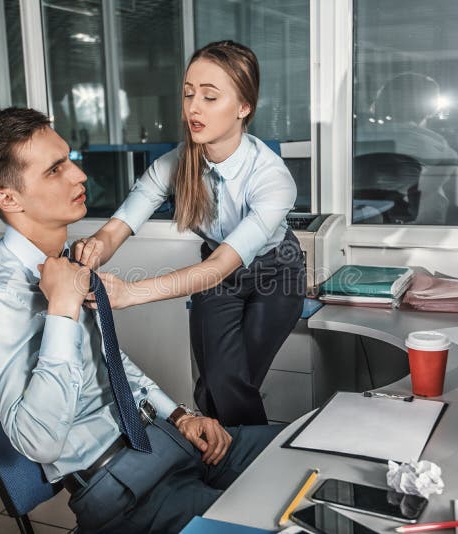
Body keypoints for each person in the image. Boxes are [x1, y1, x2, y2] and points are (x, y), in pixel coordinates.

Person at [0, 107, 282, 534]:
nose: (79, 176)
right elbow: (37, 441)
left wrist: (180, 415)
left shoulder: (63, 260)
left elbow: (107, 359)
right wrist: (62, 311)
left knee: (304, 446)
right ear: (8, 198)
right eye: (56, 170)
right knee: (277, 520)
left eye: (69, 159)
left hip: (165, 441)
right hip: (124, 490)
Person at [73, 41, 306, 427]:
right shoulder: (174, 165)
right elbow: (120, 225)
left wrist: (130, 293)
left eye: (210, 97)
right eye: (188, 93)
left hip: (275, 274)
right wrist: (93, 249)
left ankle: (236, 471)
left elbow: (219, 267)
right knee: (211, 385)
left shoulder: (271, 177)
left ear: (243, 108)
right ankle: (227, 466)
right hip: (217, 271)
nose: (193, 107)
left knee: (231, 384)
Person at [354, 72, 458, 224]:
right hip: (413, 227)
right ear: (429, 106)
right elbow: (450, 163)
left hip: (364, 219)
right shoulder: (434, 143)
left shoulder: (359, 135)